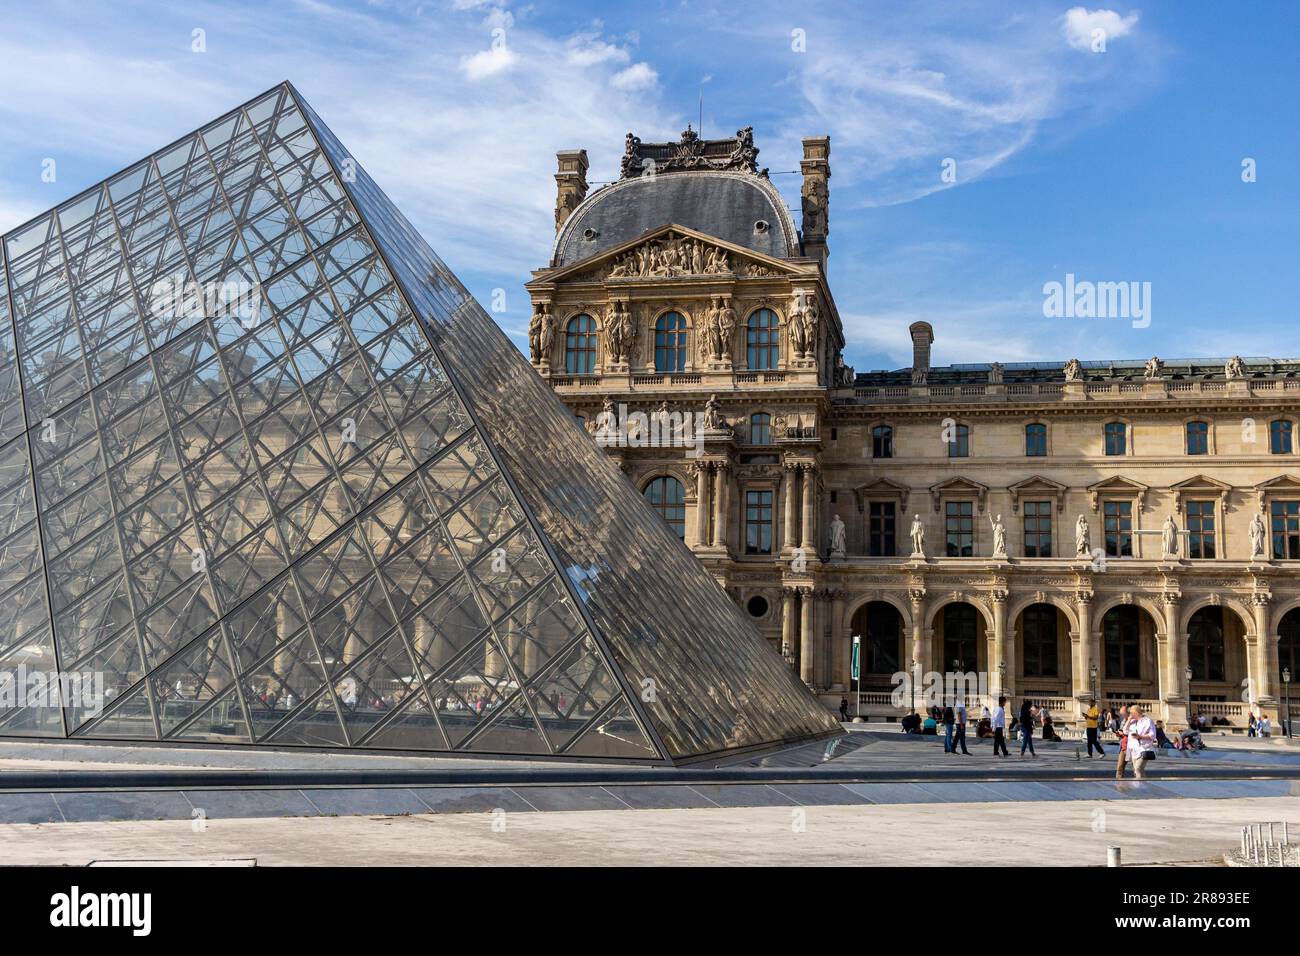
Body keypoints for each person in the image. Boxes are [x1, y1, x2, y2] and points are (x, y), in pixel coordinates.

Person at [1124, 705, 1157, 778]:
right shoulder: (1132, 722)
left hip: (1144, 748)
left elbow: (1153, 735)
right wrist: (1129, 720)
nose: (1131, 715)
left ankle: (1139, 786)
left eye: (1132, 713)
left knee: (1138, 768)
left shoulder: (1148, 721)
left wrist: (1140, 736)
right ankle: (1144, 784)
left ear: (1137, 712)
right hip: (1134, 749)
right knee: (1137, 770)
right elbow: (1125, 731)